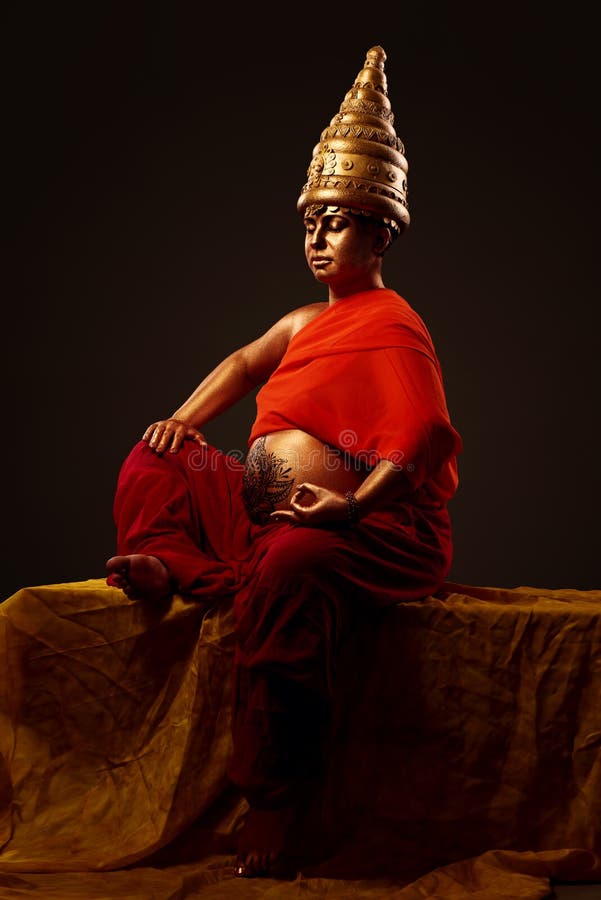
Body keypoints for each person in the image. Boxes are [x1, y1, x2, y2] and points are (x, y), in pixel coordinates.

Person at [106, 45, 462, 879]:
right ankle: (170, 562)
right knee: (156, 461)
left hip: (369, 527)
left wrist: (350, 507)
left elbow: (422, 436)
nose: (317, 237)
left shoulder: (394, 322)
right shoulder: (303, 321)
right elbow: (240, 364)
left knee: (291, 567)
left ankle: (273, 796)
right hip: (271, 516)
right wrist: (182, 420)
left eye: (335, 222)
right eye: (309, 224)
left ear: (379, 231)